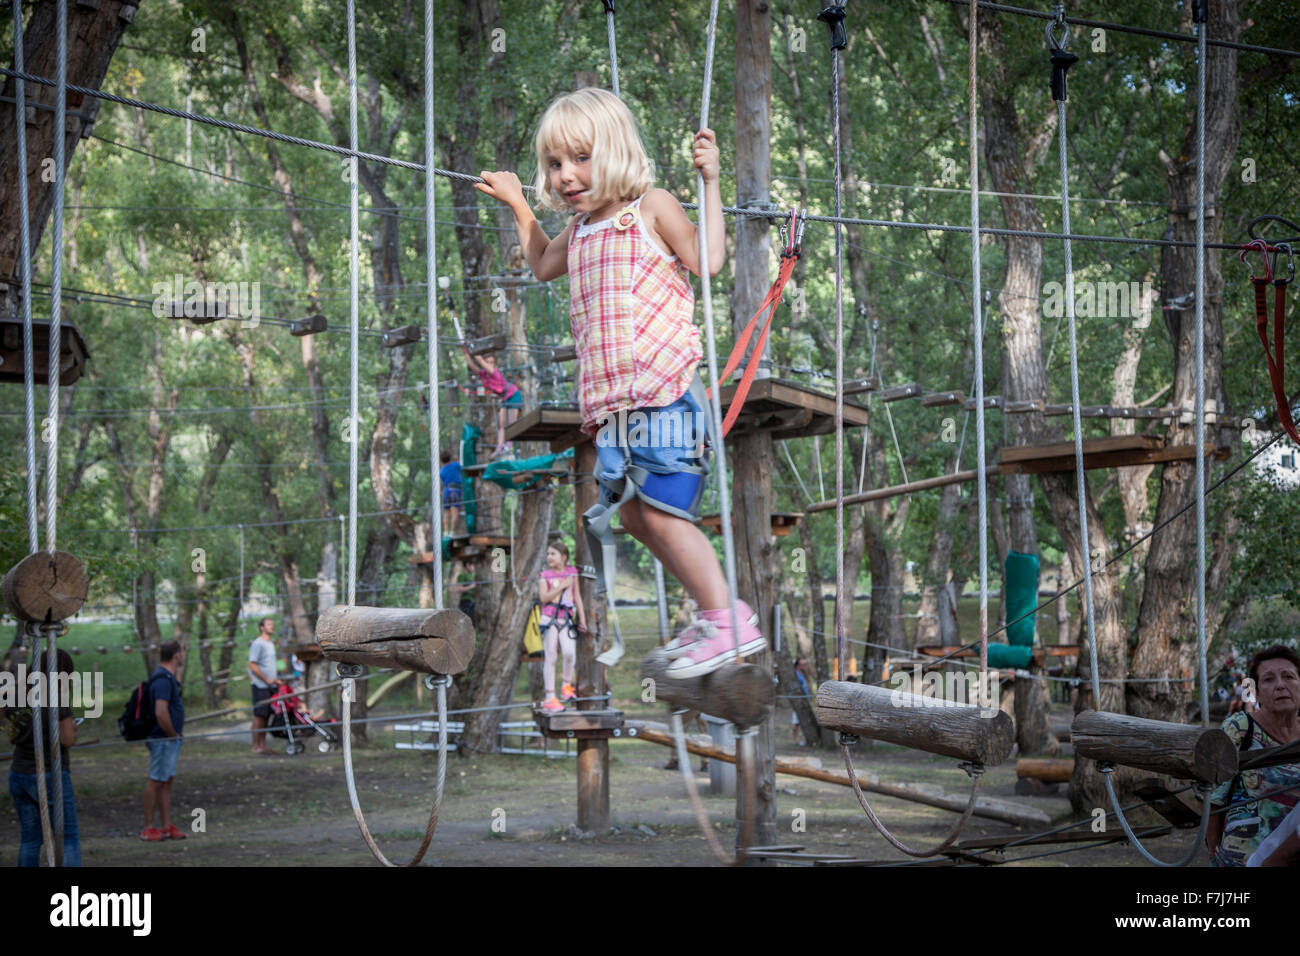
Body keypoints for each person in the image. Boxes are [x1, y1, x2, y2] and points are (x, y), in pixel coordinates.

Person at [475, 87, 764, 678]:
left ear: (614, 153)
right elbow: (540, 264)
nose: (565, 176)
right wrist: (517, 204)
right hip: (615, 412)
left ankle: (729, 620)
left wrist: (712, 182)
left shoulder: (649, 207)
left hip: (663, 397)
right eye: (554, 165)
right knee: (634, 516)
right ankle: (714, 619)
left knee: (659, 514)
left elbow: (707, 260)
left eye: (579, 158)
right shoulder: (579, 233)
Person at [1205, 644, 1300, 866]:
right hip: (1242, 858)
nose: (1280, 685)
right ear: (1256, 693)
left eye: (1289, 677)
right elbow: (1214, 795)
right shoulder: (1241, 727)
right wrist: (1214, 851)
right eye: (1268, 679)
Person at [5, 648, 81, 866]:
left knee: (30, 839)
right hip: (50, 773)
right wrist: (73, 728)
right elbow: (66, 740)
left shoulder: (17, 695)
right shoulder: (55, 697)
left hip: (19, 772)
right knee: (67, 837)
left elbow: (12, 736)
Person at [142, 640, 186, 842]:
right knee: (155, 780)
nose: (184, 655)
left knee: (166, 781)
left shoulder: (169, 677)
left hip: (169, 739)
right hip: (162, 739)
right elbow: (161, 712)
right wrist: (172, 734)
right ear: (176, 655)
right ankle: (148, 827)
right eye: (183, 651)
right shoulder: (161, 679)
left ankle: (166, 826)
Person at [537, 541, 587, 713]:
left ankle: (566, 685)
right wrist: (562, 587)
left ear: (563, 557)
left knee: (569, 652)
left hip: (566, 617)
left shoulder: (572, 573)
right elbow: (543, 598)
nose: (549, 557)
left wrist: (583, 619)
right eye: (548, 554)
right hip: (549, 618)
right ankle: (550, 696)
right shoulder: (545, 575)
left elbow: (577, 596)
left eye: (553, 554)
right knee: (551, 655)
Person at [461, 347, 522, 458]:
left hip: (513, 394)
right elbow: (472, 366)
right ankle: (499, 447)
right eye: (488, 362)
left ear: (494, 364)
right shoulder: (483, 374)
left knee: (511, 422)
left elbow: (479, 361)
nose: (489, 365)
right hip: (504, 397)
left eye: (491, 363)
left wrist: (472, 347)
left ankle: (508, 446)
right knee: (501, 423)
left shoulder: (495, 372)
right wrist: (465, 352)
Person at [248, 617, 279, 755]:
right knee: (259, 716)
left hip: (271, 686)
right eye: (269, 624)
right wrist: (266, 679)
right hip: (260, 685)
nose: (272, 626)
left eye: (272, 624)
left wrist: (275, 680)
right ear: (262, 627)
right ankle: (255, 746)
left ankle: (262, 745)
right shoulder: (257, 644)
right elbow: (252, 665)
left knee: (266, 715)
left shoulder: (270, 644)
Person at [440, 448, 463, 534]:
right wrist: (456, 459)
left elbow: (443, 479)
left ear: (441, 461)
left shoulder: (441, 471)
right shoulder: (455, 465)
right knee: (455, 513)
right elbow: (460, 467)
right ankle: (452, 532)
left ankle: (445, 532)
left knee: (446, 512)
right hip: (456, 491)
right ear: (450, 458)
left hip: (447, 491)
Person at [791, 657, 812, 745]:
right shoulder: (795, 674)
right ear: (798, 665)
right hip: (799, 703)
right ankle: (795, 740)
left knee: (801, 722)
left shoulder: (801, 674)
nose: (805, 666)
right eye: (803, 664)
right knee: (796, 723)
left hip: (805, 701)